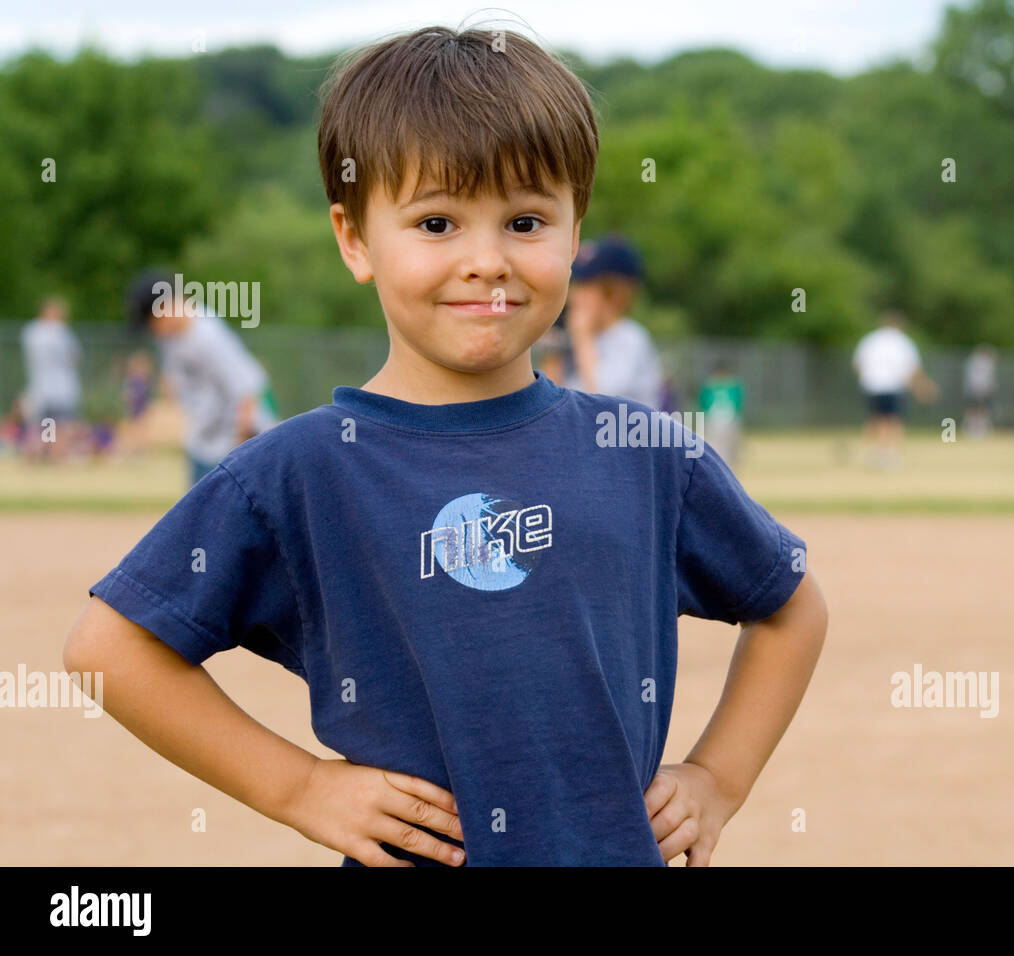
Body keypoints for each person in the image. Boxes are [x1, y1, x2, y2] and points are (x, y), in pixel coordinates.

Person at [65, 25, 828, 870]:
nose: (486, 261)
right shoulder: (304, 470)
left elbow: (791, 606)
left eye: (527, 220)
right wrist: (299, 788)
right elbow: (108, 650)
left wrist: (718, 780)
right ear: (354, 238)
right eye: (436, 222)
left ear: (577, 234)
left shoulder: (644, 452)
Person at [124, 270, 280, 486]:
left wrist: (241, 451)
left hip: (230, 442)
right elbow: (174, 380)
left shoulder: (208, 336)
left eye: (151, 322)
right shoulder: (171, 338)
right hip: (204, 440)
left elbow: (247, 391)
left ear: (165, 308)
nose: (152, 331)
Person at [565, 235, 664, 409]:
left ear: (615, 293)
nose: (574, 296)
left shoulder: (631, 339)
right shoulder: (577, 338)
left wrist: (583, 340)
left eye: (585, 286)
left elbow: (601, 400)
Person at [850, 308, 937, 469]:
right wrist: (922, 387)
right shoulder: (902, 341)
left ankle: (873, 452)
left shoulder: (870, 340)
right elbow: (911, 368)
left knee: (875, 419)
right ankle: (890, 455)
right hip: (893, 386)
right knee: (893, 420)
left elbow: (858, 364)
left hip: (871, 385)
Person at [20, 296, 82, 463]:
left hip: (42, 386)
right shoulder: (61, 332)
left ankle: (37, 456)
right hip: (59, 387)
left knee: (40, 424)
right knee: (59, 425)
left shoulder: (31, 331)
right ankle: (55, 456)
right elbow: (74, 356)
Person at [698, 361, 745, 468]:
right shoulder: (732, 385)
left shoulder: (710, 385)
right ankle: (724, 465)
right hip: (724, 417)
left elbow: (702, 401)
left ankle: (721, 465)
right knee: (723, 445)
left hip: (718, 417)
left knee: (720, 444)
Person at [962, 344, 997, 438]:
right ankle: (971, 428)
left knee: (982, 410)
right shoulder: (976, 362)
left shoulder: (986, 363)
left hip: (982, 390)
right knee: (974, 410)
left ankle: (982, 428)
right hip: (976, 389)